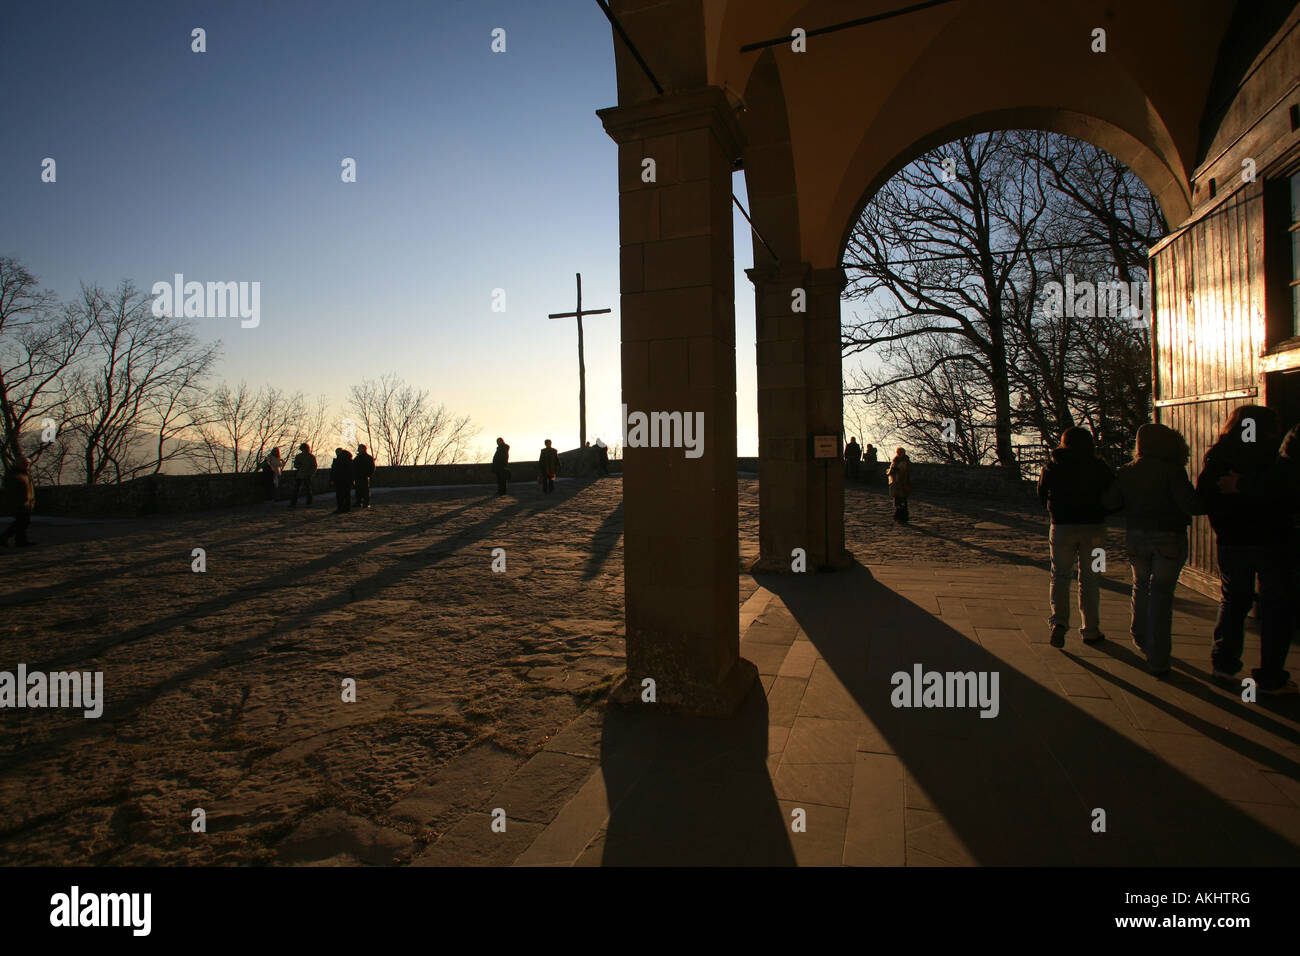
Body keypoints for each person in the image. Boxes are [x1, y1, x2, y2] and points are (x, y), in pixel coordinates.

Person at [1197, 405, 1295, 694]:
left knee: (1233, 601)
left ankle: (1224, 664)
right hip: (1272, 538)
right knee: (1276, 607)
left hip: (1233, 539)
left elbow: (1204, 497)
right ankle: (1270, 676)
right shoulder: (1276, 457)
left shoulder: (1220, 455)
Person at [1102, 423, 1205, 675]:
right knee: (1162, 593)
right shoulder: (1172, 470)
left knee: (1140, 585)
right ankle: (1159, 657)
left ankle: (1140, 637)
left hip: (1137, 535)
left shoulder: (1127, 471)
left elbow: (1110, 502)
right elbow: (1191, 504)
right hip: (1168, 535)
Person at [1038, 427, 1115, 648]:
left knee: (1060, 575)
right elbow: (1114, 493)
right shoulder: (1099, 467)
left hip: (1062, 528)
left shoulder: (1053, 465)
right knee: (1092, 577)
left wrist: (1055, 511)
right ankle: (1091, 629)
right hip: (1096, 530)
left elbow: (1041, 493)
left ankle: (1059, 622)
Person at [0, 456, 35, 547]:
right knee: (21, 522)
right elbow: (11, 491)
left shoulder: (25, 474)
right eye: (25, 464)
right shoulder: (14, 475)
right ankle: (4, 538)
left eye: (28, 464)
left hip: (26, 503)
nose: (27, 465)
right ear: (19, 464)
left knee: (23, 522)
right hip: (18, 503)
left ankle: (20, 540)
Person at [887, 447, 912, 523]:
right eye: (898, 452)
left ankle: (902, 516)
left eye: (901, 452)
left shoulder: (905, 461)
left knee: (902, 500)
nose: (899, 454)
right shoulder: (895, 460)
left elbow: (906, 473)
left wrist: (898, 471)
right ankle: (899, 516)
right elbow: (890, 472)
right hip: (895, 483)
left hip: (902, 483)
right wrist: (893, 471)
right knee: (897, 500)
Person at [290, 442, 316, 508]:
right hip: (302, 474)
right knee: (302, 489)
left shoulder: (307, 456)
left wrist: (310, 473)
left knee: (303, 489)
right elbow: (314, 466)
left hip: (303, 475)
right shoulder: (310, 456)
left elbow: (314, 466)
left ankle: (295, 502)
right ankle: (307, 502)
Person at [331, 448, 353, 514]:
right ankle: (347, 507)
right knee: (346, 495)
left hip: (340, 480)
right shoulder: (349, 459)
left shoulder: (338, 460)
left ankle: (340, 508)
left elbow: (334, 471)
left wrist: (332, 479)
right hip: (346, 480)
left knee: (340, 495)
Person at [353, 443, 375, 509]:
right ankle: (358, 502)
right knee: (358, 490)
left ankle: (366, 503)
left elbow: (372, 467)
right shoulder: (357, 458)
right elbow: (353, 467)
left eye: (360, 448)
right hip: (357, 476)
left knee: (365, 490)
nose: (358, 450)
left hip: (364, 476)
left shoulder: (368, 458)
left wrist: (368, 474)